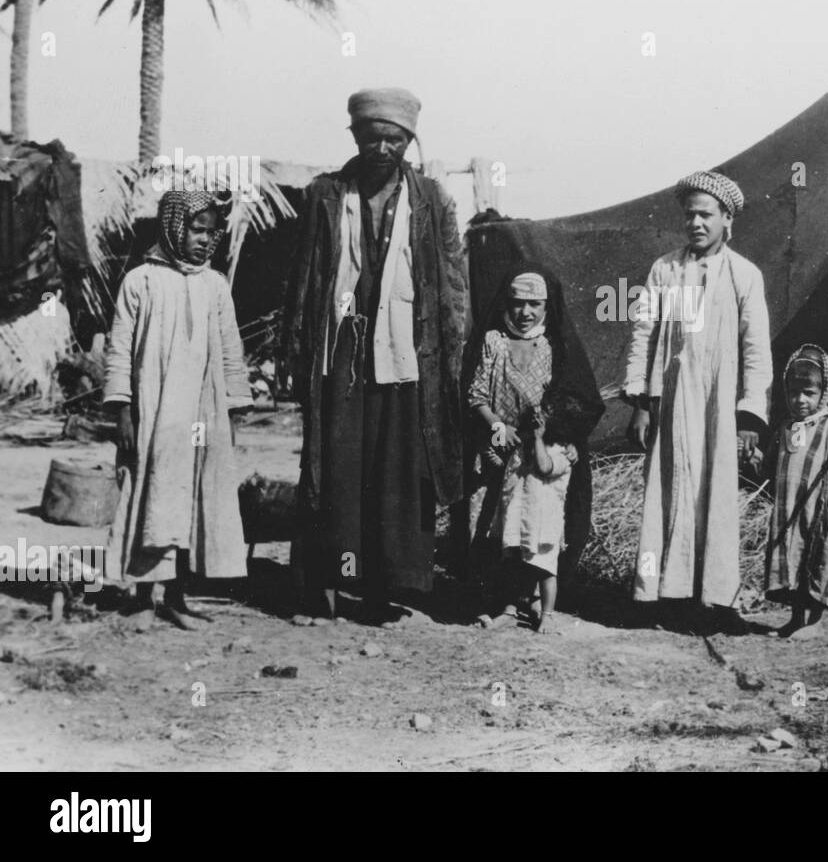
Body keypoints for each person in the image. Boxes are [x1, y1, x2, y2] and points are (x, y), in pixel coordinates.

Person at [280, 87, 467, 623]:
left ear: (409, 141)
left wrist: (450, 353)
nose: (382, 148)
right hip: (340, 349)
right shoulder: (325, 194)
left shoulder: (431, 197)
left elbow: (452, 281)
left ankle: (385, 590)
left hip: (406, 353)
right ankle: (325, 588)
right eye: (372, 137)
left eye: (394, 139)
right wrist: (296, 348)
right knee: (337, 465)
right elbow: (304, 277)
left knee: (396, 468)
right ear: (356, 138)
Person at [623, 170, 773, 633]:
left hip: (719, 405)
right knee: (666, 494)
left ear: (728, 220)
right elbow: (643, 335)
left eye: (706, 214)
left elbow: (756, 348)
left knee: (717, 496)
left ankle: (719, 601)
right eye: (689, 214)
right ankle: (660, 597)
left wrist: (749, 412)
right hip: (671, 400)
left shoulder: (744, 274)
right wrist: (642, 402)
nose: (696, 223)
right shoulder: (664, 270)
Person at [104, 189, 253, 629]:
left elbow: (230, 350)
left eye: (213, 232)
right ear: (173, 227)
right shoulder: (141, 282)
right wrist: (123, 411)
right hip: (156, 410)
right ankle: (144, 597)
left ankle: (177, 596)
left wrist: (233, 408)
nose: (206, 240)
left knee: (193, 497)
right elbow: (118, 352)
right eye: (196, 229)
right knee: (154, 494)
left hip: (202, 414)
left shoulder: (215, 285)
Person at [464, 264, 603, 623]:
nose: (524, 313)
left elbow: (574, 402)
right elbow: (476, 395)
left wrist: (565, 440)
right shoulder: (493, 342)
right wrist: (497, 430)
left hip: (540, 454)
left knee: (539, 526)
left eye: (534, 305)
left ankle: (536, 599)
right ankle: (501, 602)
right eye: (516, 303)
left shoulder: (555, 346)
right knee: (497, 525)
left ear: (546, 307)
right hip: (497, 452)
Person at [762, 344, 828, 639]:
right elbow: (770, 464)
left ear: (824, 393)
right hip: (789, 511)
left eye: (808, 394)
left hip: (817, 509)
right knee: (793, 559)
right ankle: (796, 620)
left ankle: (814, 622)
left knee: (815, 555)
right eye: (794, 393)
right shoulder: (785, 427)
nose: (800, 400)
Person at [478, 392, 588, 634]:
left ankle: (547, 614)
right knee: (513, 566)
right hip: (519, 520)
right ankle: (509, 611)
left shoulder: (562, 453)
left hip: (543, 524)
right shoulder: (525, 444)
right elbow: (502, 453)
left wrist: (538, 440)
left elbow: (545, 467)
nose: (538, 415)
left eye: (545, 412)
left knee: (545, 569)